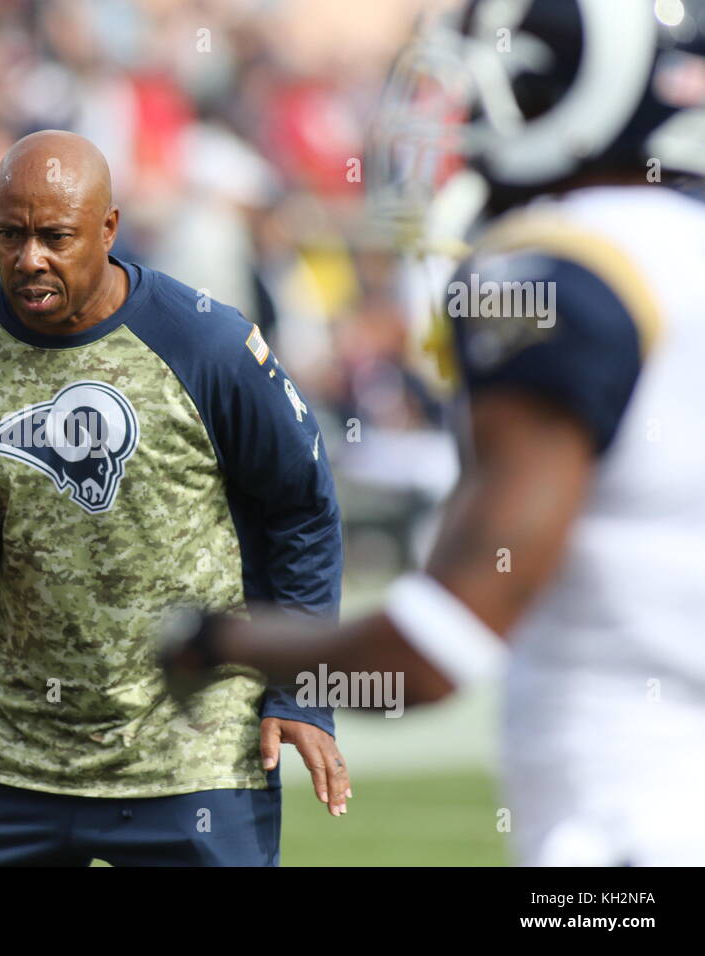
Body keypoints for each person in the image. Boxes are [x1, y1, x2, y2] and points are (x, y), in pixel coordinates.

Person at [161, 0, 705, 866]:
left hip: (636, 835)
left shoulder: (574, 271)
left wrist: (219, 644)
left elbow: (431, 651)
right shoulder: (677, 250)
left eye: (506, 84)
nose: (470, 118)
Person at [0, 131, 347, 867]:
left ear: (109, 228)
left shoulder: (208, 346)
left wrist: (301, 693)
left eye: (54, 236)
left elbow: (302, 510)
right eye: (9, 234)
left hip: (193, 755)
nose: (29, 258)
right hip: (10, 751)